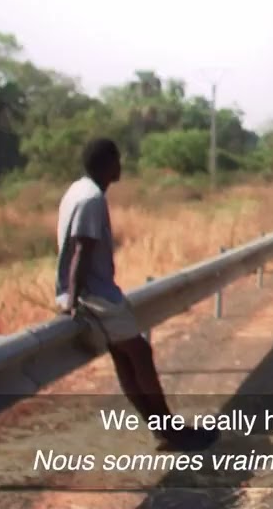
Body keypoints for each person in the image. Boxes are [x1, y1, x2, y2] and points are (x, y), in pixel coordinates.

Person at [56, 138, 219, 453]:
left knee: (127, 359)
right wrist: (73, 300)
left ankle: (164, 431)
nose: (121, 167)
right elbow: (82, 251)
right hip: (96, 295)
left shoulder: (77, 190)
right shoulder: (91, 198)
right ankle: (171, 431)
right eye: (117, 161)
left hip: (91, 292)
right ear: (107, 164)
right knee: (140, 355)